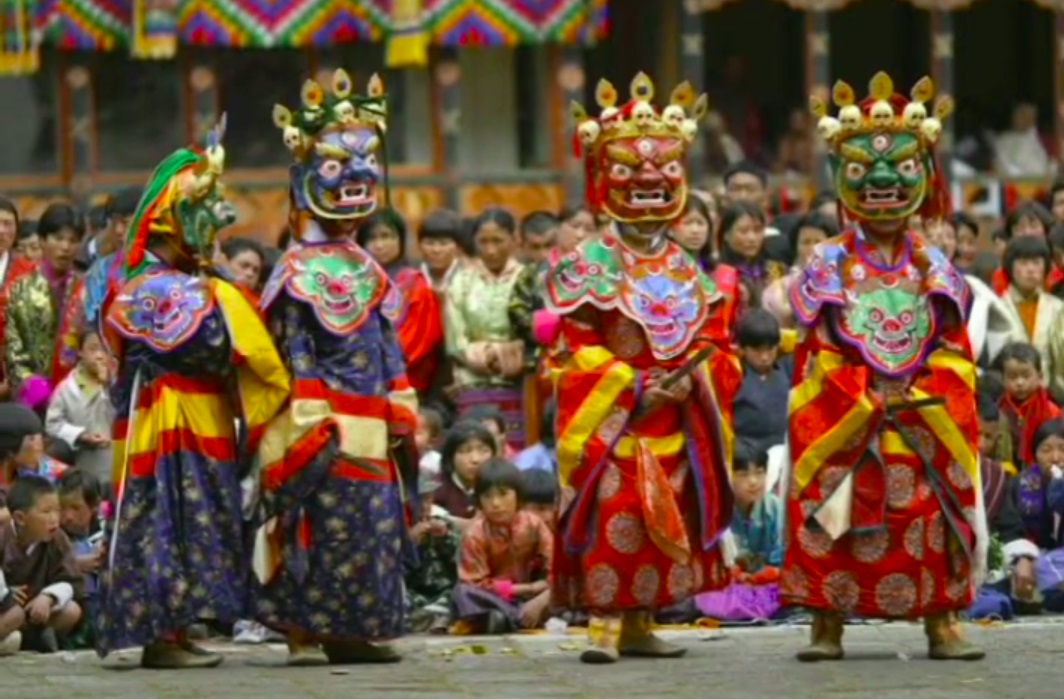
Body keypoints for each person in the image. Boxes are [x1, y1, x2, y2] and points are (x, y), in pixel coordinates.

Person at [784, 72, 985, 661]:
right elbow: (816, 352)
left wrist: (921, 393)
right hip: (849, 419)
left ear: (923, 174)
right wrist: (863, 395)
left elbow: (954, 349)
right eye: (863, 169)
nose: (881, 181)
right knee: (832, 507)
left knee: (932, 508)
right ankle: (826, 625)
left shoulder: (934, 266)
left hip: (922, 414)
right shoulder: (826, 263)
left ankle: (941, 622)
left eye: (899, 168)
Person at [545, 73, 741, 664]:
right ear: (604, 178)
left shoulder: (685, 265)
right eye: (630, 171)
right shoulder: (589, 261)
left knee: (665, 524)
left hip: (675, 416)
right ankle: (604, 626)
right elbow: (573, 346)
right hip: (615, 421)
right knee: (616, 516)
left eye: (664, 171)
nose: (649, 184)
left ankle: (639, 623)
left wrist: (691, 378)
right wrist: (630, 385)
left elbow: (714, 337)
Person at [96, 119, 290, 668]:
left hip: (197, 418)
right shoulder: (157, 285)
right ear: (174, 223)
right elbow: (208, 344)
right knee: (167, 521)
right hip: (169, 421)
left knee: (194, 522)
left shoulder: (185, 283)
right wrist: (222, 294)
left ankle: (178, 631)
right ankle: (162, 637)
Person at [253, 71, 418, 666]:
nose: (358, 175)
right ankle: (302, 632)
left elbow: (384, 336)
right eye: (336, 165)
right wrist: (308, 410)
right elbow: (294, 344)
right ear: (303, 175)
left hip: (372, 416)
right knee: (318, 524)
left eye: (367, 161)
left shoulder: (365, 264)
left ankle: (355, 630)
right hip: (322, 420)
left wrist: (401, 392)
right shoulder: (295, 268)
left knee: (371, 528)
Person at [451, 458, 553, 634]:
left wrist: (540, 598)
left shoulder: (534, 524)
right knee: (462, 593)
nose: (496, 503)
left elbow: (556, 567)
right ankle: (516, 617)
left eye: (503, 494)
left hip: (536, 595)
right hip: (495, 597)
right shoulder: (475, 533)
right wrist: (526, 589)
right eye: (487, 496)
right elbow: (475, 582)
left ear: (518, 495)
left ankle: (507, 619)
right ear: (479, 501)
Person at [357, 208, 443, 397]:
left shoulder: (415, 285)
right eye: (372, 238)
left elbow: (420, 340)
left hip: (404, 382)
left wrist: (381, 366)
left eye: (386, 236)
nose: (380, 245)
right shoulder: (354, 286)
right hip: (360, 380)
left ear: (401, 241)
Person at [6, 203, 84, 408]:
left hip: (76, 396)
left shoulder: (87, 289)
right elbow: (14, 347)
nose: (65, 247)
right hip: (32, 397)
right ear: (42, 240)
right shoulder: (20, 289)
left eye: (73, 240)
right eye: (58, 238)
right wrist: (33, 387)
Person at [0, 476, 84, 655]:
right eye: (46, 512)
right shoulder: (3, 538)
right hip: (7, 610)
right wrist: (7, 592)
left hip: (38, 612)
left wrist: (48, 596)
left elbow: (72, 581)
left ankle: (38, 639)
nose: (54, 519)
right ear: (20, 518)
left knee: (72, 610)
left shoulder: (58, 539)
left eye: (57, 510)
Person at [44, 330, 115, 491]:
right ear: (80, 352)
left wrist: (107, 385)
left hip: (117, 464)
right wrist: (80, 436)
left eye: (104, 349)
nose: (99, 355)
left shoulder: (119, 384)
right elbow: (52, 425)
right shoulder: (67, 388)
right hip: (87, 465)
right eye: (93, 349)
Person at [732, 309, 791, 454]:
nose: (764, 357)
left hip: (784, 453)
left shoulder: (788, 368)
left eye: (770, 349)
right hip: (747, 456)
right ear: (743, 349)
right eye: (757, 351)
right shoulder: (733, 375)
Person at [996, 342, 1062, 468]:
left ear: (1040, 377)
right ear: (1003, 379)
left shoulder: (1052, 411)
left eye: (1026, 376)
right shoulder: (1000, 409)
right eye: (1012, 377)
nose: (1020, 383)